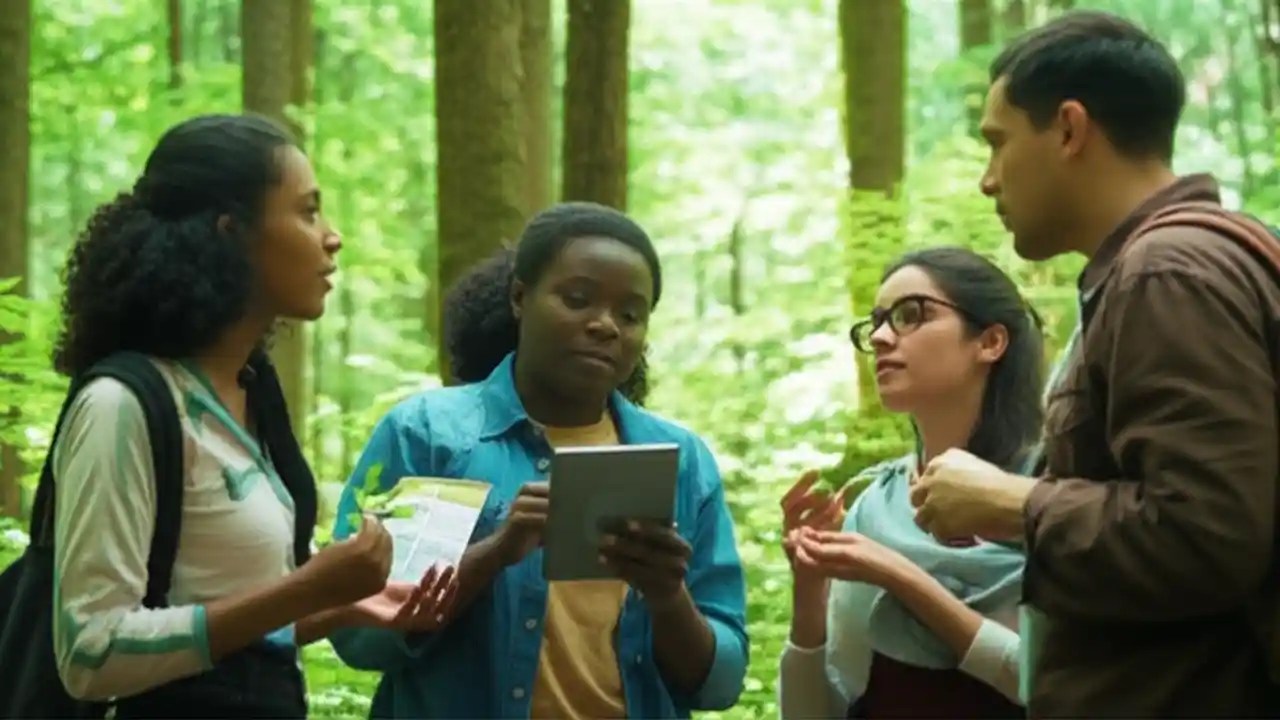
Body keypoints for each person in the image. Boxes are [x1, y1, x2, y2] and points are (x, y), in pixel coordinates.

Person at [909, 11, 1280, 717]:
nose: (989, 180)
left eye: (998, 143)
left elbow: (1209, 534)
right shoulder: (1180, 266)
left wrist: (1016, 504)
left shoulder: (1166, 274)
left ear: (1070, 129)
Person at [49, 113, 454, 718]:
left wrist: (342, 605)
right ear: (231, 232)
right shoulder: (124, 405)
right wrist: (307, 587)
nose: (332, 236)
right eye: (308, 211)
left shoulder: (250, 395)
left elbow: (229, 631)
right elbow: (90, 652)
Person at [329, 201, 749, 719]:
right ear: (520, 298)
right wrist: (496, 552)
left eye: (630, 314)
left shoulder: (682, 463)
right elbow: (357, 634)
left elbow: (720, 682)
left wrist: (667, 596)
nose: (605, 326)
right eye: (577, 299)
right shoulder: (429, 435)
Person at [776, 246, 1044, 719]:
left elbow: (1052, 689)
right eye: (875, 322)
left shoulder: (1048, 498)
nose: (879, 337)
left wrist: (900, 576)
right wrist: (809, 589)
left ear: (990, 342)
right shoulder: (874, 508)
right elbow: (816, 714)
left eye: (909, 314)